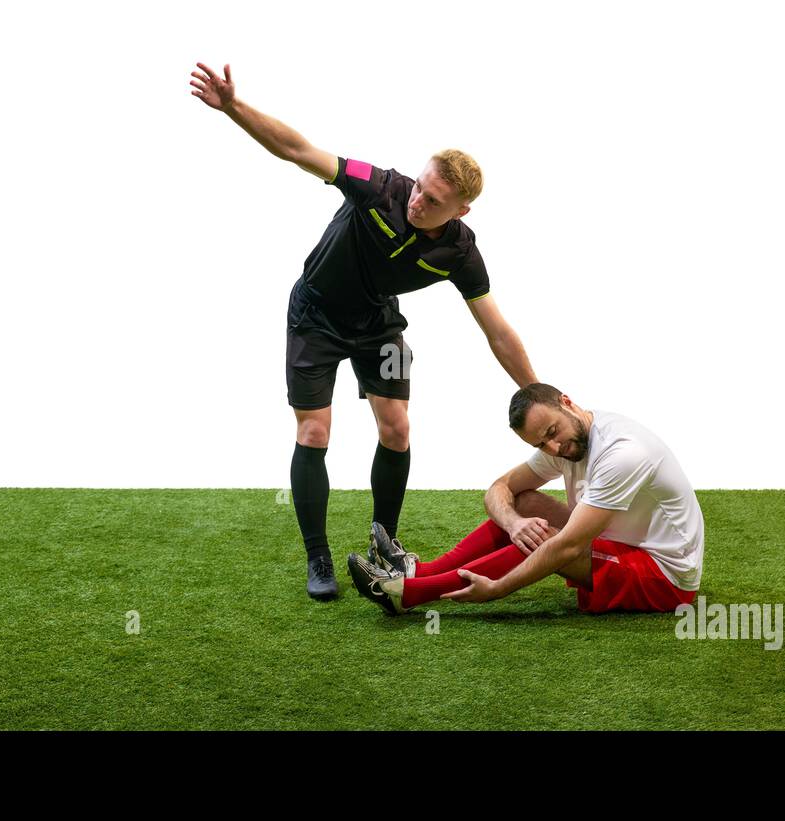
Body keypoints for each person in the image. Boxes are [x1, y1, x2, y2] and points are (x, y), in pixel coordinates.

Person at [190, 62, 538, 601]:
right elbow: (298, 150)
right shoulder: (378, 187)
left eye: (434, 202)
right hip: (315, 316)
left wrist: (537, 394)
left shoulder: (460, 253)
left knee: (397, 428)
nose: (418, 202)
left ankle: (384, 544)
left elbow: (496, 330)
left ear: (462, 210)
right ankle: (318, 556)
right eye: (420, 188)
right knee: (314, 433)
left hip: (378, 326)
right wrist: (234, 107)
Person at [348, 384, 704, 615]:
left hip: (664, 575)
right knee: (525, 505)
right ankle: (419, 571)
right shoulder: (563, 441)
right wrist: (513, 523)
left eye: (553, 432)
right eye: (541, 444)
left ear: (567, 402)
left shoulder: (622, 453)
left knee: (547, 539)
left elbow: (565, 547)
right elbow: (500, 487)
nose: (554, 448)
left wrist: (497, 589)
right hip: (620, 541)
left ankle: (408, 593)